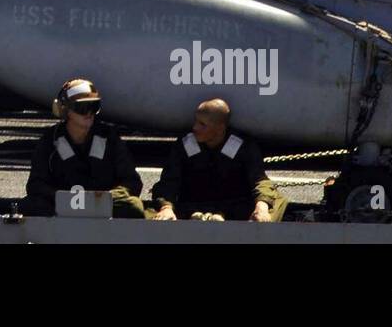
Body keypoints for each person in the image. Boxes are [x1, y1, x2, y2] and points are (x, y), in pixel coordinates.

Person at [21, 77, 145, 218]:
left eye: (93, 107)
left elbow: (131, 181)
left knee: (133, 206)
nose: (89, 114)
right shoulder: (50, 140)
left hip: (103, 204)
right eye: (82, 108)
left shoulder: (109, 137)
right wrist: (61, 197)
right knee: (30, 206)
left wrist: (104, 197)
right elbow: (35, 184)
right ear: (65, 110)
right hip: (60, 204)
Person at [150, 98, 288, 222]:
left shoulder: (243, 146)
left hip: (235, 206)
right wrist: (166, 207)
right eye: (196, 122)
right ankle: (201, 216)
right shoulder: (185, 144)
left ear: (220, 128)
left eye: (202, 124)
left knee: (276, 202)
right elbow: (168, 181)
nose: (195, 128)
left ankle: (227, 219)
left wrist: (261, 207)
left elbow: (259, 180)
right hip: (193, 204)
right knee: (148, 214)